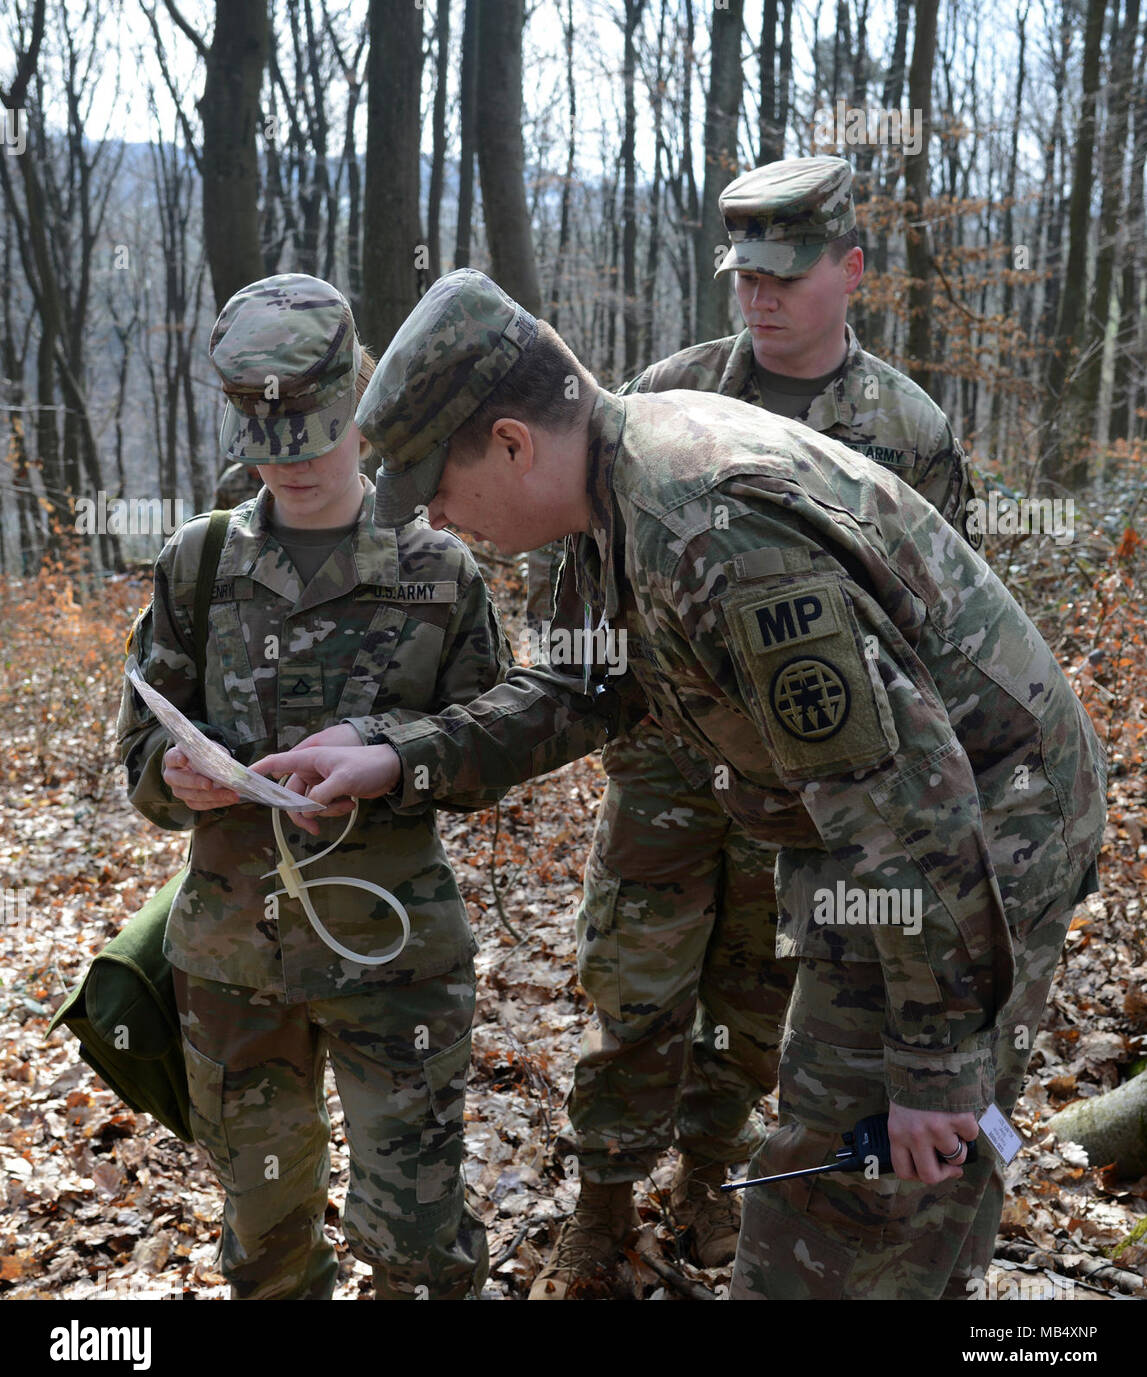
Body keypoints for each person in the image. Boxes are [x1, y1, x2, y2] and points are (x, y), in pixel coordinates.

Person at [254, 267, 1105, 1300]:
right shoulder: (610, 490)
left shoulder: (707, 526)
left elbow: (909, 797)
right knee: (866, 1147)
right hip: (884, 836)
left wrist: (933, 1063)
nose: (439, 515)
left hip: (981, 835)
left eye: (438, 488)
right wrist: (396, 752)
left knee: (864, 1191)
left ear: (513, 444)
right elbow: (578, 686)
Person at [520, 156, 983, 1295]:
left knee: (756, 995)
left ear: (851, 270)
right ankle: (602, 1204)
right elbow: (584, 589)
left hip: (821, 791)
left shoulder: (906, 431)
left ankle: (708, 1182)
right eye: (744, 275)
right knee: (634, 991)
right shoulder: (672, 393)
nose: (761, 295)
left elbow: (937, 626)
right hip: (671, 768)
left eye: (787, 272)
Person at [116, 273, 512, 1300]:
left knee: (419, 1241)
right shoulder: (198, 564)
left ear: (358, 404)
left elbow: (495, 747)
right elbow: (135, 755)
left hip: (396, 959)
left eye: (314, 439)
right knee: (267, 1243)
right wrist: (174, 774)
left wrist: (388, 756)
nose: (287, 466)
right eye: (264, 445)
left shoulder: (439, 572)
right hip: (234, 967)